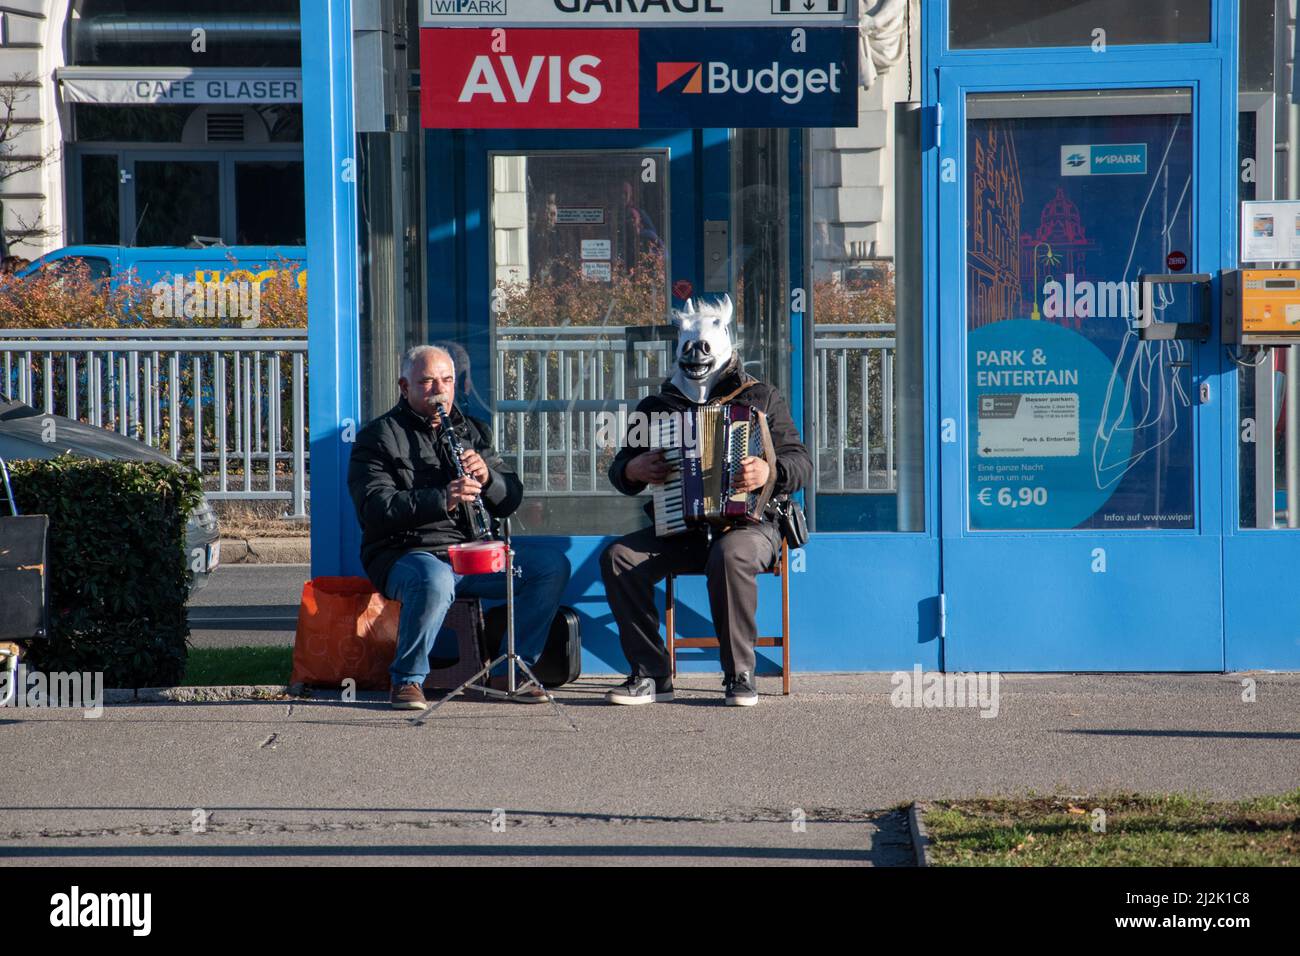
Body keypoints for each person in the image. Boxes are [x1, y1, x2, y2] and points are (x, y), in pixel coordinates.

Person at [600, 295, 811, 707]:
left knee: (730, 556)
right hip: (683, 529)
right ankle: (651, 674)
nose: (695, 358)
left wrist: (770, 472)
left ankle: (739, 674)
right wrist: (634, 469)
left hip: (751, 526)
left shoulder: (761, 398)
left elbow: (800, 462)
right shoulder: (657, 408)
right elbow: (620, 471)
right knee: (618, 557)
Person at [347, 345, 571, 710]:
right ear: (404, 386)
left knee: (549, 566)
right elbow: (374, 508)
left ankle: (511, 672)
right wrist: (442, 498)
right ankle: (406, 680)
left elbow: (511, 498)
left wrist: (490, 478)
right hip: (406, 554)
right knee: (434, 579)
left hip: (471, 553)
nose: (439, 389)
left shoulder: (472, 432)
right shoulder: (378, 437)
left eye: (447, 380)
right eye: (427, 381)